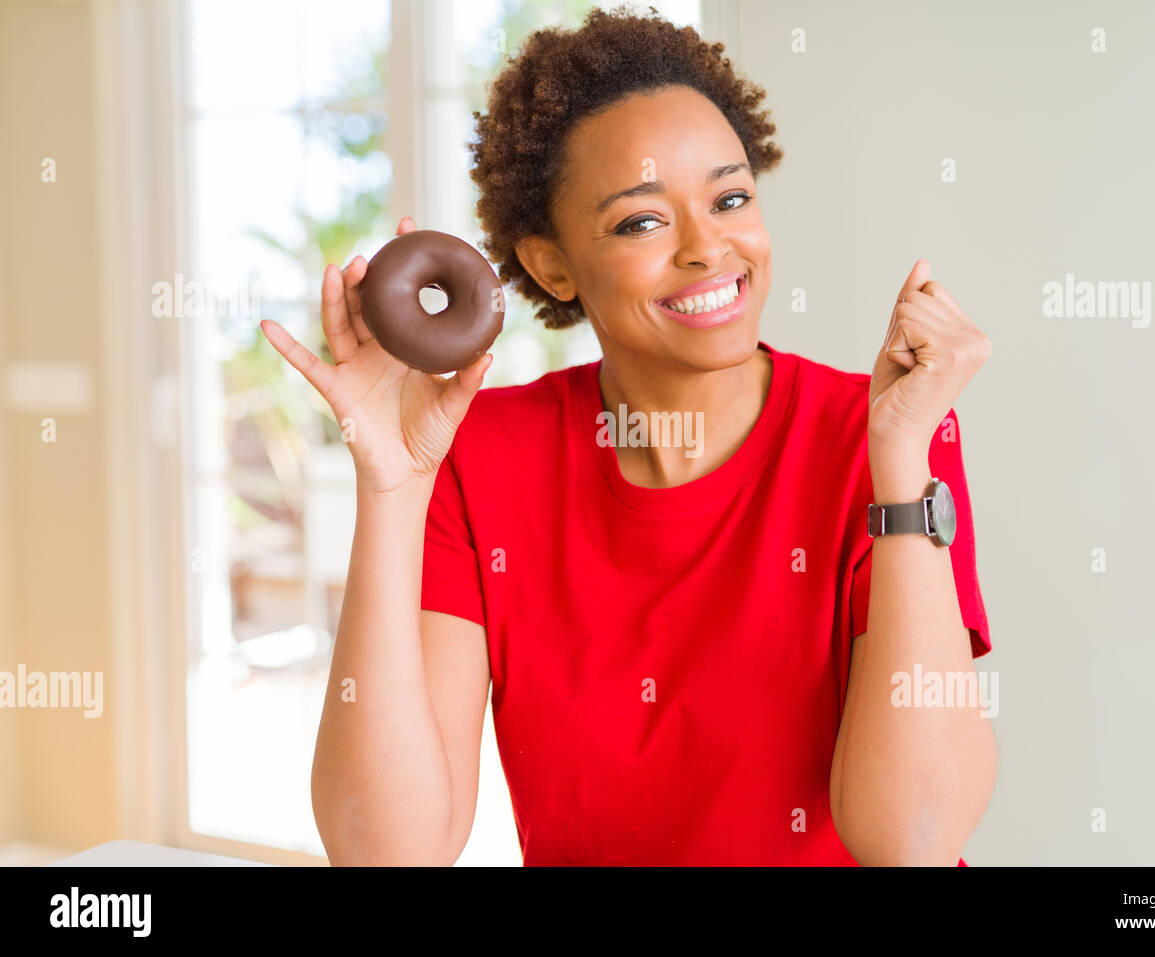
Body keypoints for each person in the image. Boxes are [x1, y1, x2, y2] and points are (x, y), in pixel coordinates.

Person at [262, 5, 995, 866]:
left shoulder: (883, 437)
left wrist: (902, 467)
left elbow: (912, 837)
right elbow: (387, 849)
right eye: (641, 221)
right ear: (551, 264)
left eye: (730, 197)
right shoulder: (480, 456)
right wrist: (390, 488)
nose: (707, 248)